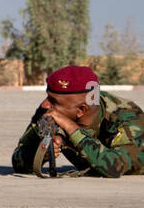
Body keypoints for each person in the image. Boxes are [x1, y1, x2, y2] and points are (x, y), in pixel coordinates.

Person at [11, 65, 144, 177]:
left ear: (81, 110)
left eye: (53, 101)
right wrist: (41, 153)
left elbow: (115, 168)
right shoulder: (48, 112)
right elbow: (18, 161)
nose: (45, 104)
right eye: (47, 96)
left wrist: (71, 128)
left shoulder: (127, 118)